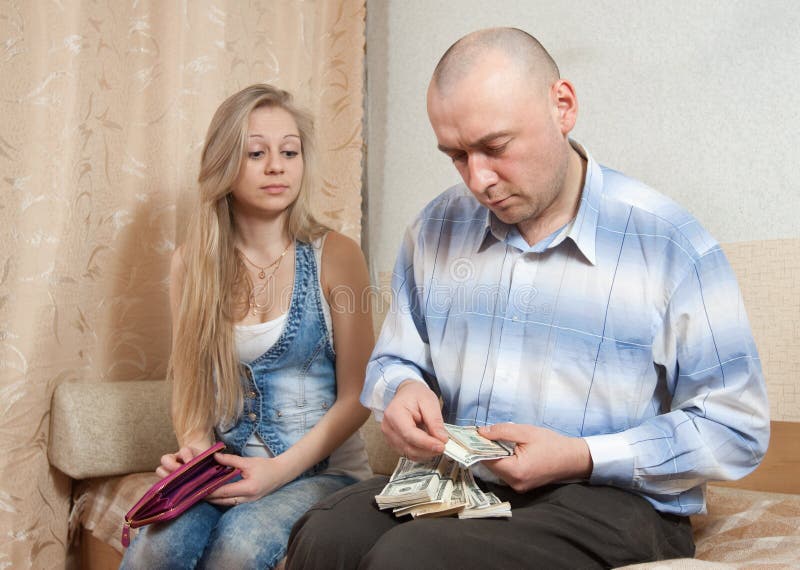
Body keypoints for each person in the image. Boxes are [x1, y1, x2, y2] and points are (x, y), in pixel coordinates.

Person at [286, 28, 770, 569]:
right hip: (466, 484)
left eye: (495, 148)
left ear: (562, 106)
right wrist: (400, 390)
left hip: (610, 502)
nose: (479, 179)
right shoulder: (434, 229)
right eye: (457, 156)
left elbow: (735, 427)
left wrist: (582, 455)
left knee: (413, 559)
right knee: (323, 535)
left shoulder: (669, 243)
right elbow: (396, 360)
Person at [121, 84, 374, 569]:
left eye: (289, 151)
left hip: (322, 474)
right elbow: (193, 389)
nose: (277, 166)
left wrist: (277, 472)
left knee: (240, 544)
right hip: (227, 466)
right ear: (224, 164)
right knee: (156, 546)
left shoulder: (336, 256)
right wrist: (192, 450)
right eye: (256, 152)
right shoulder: (193, 264)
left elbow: (358, 395)